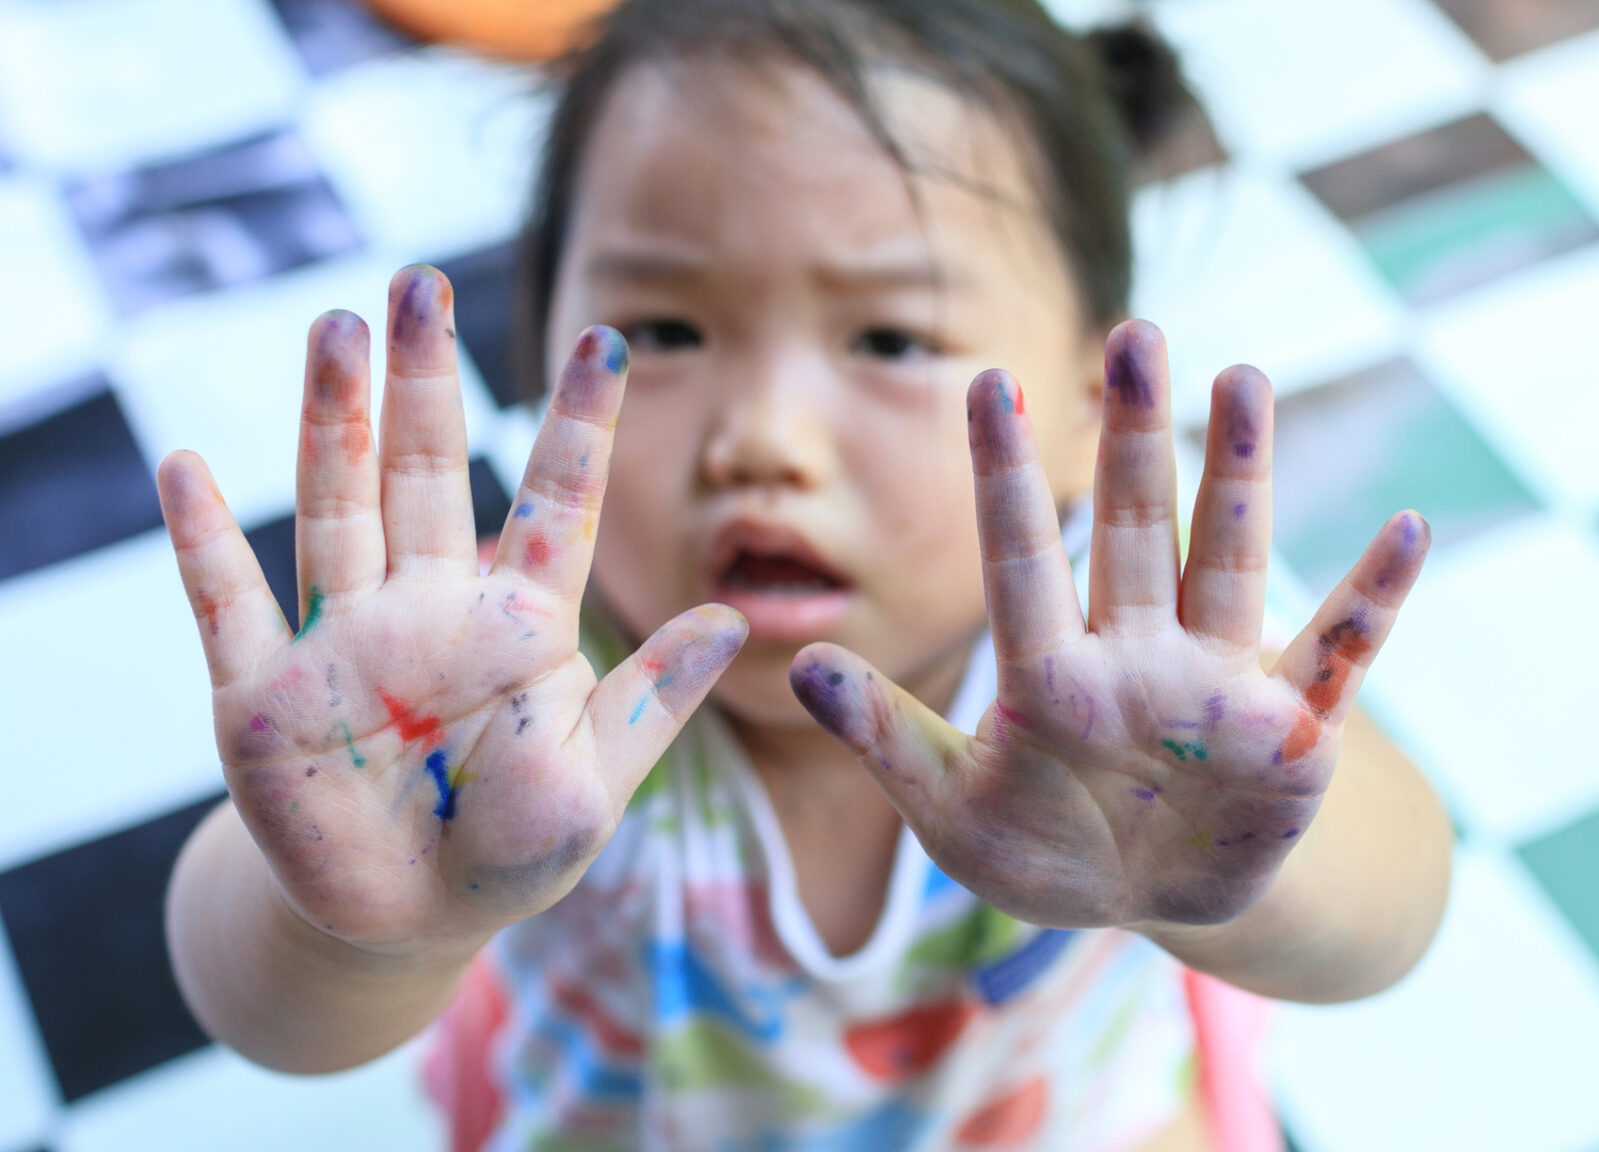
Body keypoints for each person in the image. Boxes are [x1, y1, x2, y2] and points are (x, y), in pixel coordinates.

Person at [154, 1, 1454, 1147]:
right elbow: (262, 1010)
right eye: (662, 329)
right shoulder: (499, 692)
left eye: (888, 336)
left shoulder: (1140, 681)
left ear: (1081, 398)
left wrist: (1230, 866)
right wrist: (376, 913)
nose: (762, 436)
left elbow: (1398, 909)